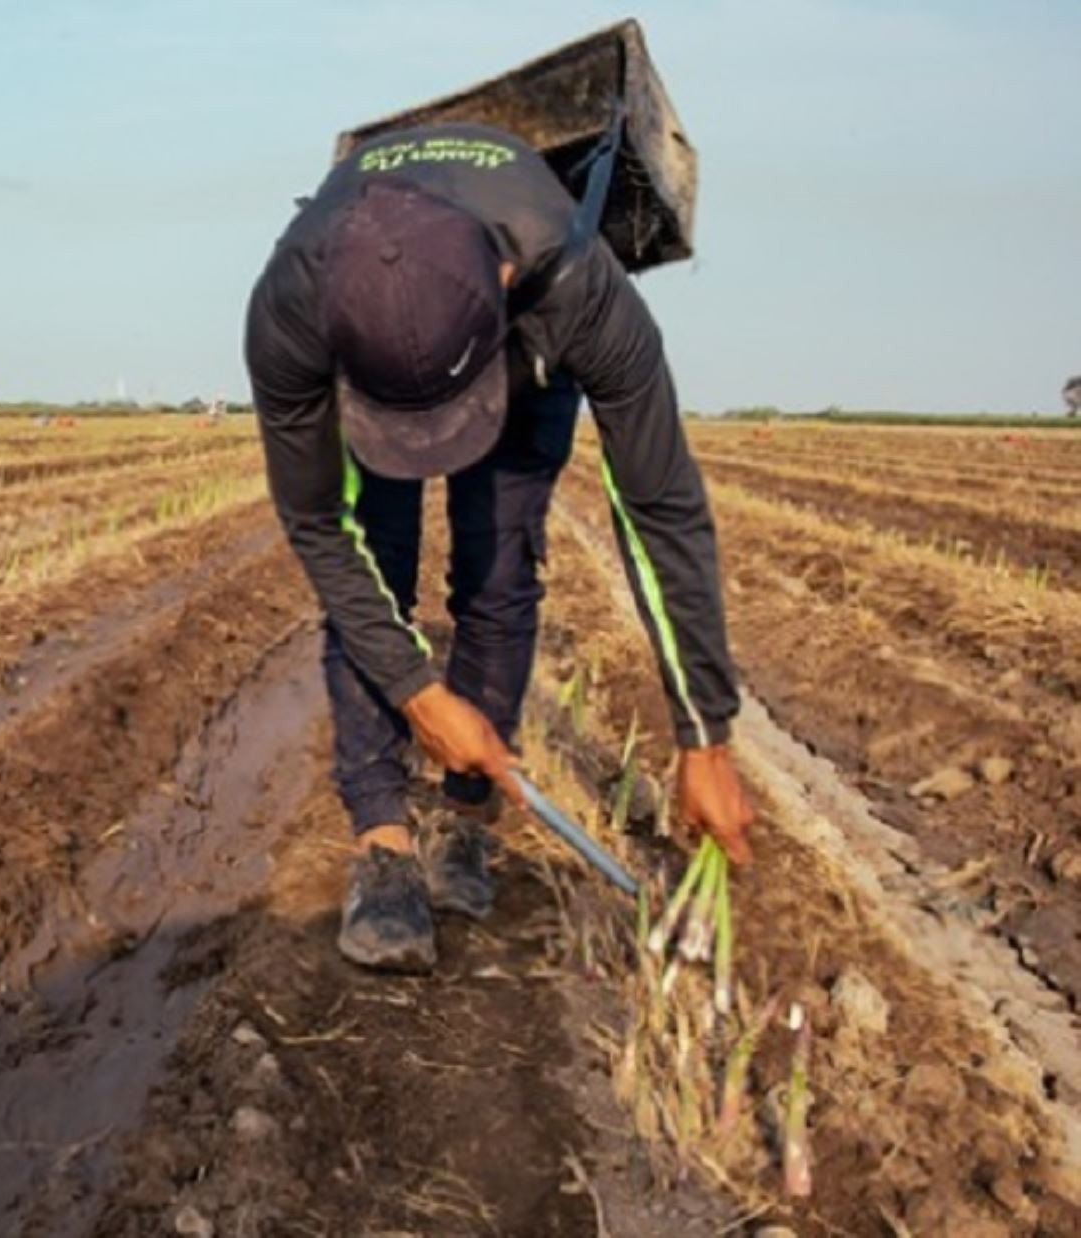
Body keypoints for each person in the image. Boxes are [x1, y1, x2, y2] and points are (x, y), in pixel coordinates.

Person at [245, 123, 753, 972]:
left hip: (523, 364)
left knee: (502, 566)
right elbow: (316, 525)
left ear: (508, 279)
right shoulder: (290, 307)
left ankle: (465, 820)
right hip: (374, 358)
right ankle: (383, 844)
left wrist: (706, 739)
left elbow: (659, 506)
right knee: (378, 553)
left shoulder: (578, 288)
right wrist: (417, 692)